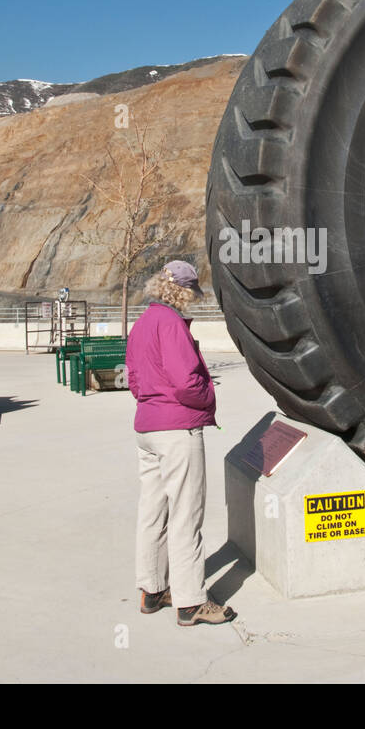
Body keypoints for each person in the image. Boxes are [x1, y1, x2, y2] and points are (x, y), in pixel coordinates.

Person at [126, 260, 236, 627]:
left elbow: (135, 382)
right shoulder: (171, 323)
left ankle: (151, 590)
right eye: (192, 293)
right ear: (183, 291)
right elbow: (186, 382)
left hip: (148, 427)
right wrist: (208, 397)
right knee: (186, 515)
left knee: (152, 512)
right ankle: (190, 602)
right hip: (178, 430)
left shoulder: (142, 324)